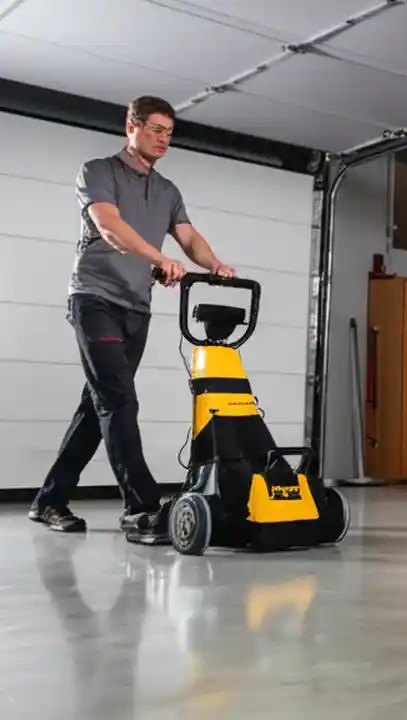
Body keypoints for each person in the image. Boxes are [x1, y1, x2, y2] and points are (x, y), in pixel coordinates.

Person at [28, 95, 236, 538]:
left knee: (99, 404)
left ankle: (49, 500)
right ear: (132, 126)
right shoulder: (98, 171)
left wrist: (214, 264)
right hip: (94, 299)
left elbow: (189, 236)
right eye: (156, 129)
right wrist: (159, 260)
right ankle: (141, 509)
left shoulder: (167, 191)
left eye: (169, 133)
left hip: (136, 308)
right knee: (119, 400)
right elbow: (110, 227)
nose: (164, 139)